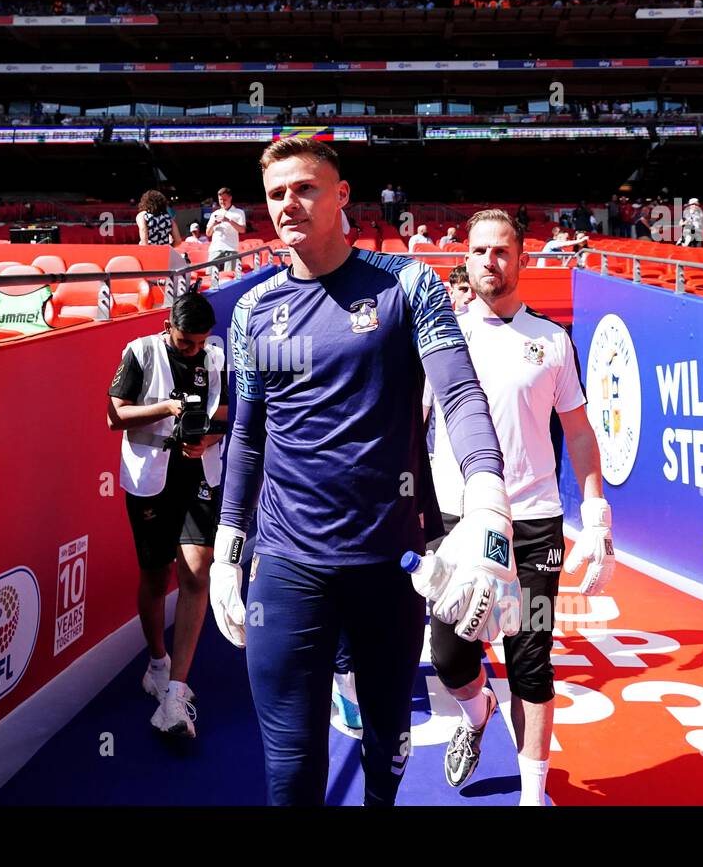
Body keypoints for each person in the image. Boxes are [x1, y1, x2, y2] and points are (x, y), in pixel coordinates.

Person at [209, 138, 508, 806]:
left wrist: (489, 502)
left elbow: (459, 393)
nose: (290, 201)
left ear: (341, 196)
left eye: (306, 187)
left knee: (384, 759)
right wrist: (230, 547)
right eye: (278, 191)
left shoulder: (408, 285)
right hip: (287, 568)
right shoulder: (253, 313)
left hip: (389, 565)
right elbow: (248, 435)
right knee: (290, 772)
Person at [429, 208, 613, 805]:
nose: (489, 261)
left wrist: (596, 514)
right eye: (479, 251)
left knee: (529, 654)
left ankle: (532, 795)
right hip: (456, 520)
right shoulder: (440, 339)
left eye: (502, 251)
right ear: (467, 258)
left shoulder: (553, 341)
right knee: (451, 652)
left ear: (521, 258)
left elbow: (580, 432)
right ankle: (476, 711)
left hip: (532, 522)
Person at [108, 292, 228, 738]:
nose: (194, 350)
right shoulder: (139, 352)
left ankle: (176, 691)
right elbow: (114, 415)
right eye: (185, 343)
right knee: (157, 578)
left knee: (197, 573)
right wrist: (167, 409)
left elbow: (224, 415)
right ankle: (157, 664)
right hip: (150, 479)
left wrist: (206, 440)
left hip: (198, 474)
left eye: (200, 342)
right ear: (167, 327)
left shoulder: (215, 358)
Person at [205, 186, 246, 264]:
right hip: (215, 249)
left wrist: (228, 220)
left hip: (231, 249)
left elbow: (242, 230)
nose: (222, 202)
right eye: (220, 199)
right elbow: (208, 233)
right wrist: (214, 224)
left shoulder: (239, 212)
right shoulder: (215, 213)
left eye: (224, 199)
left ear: (230, 198)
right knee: (212, 274)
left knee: (229, 275)